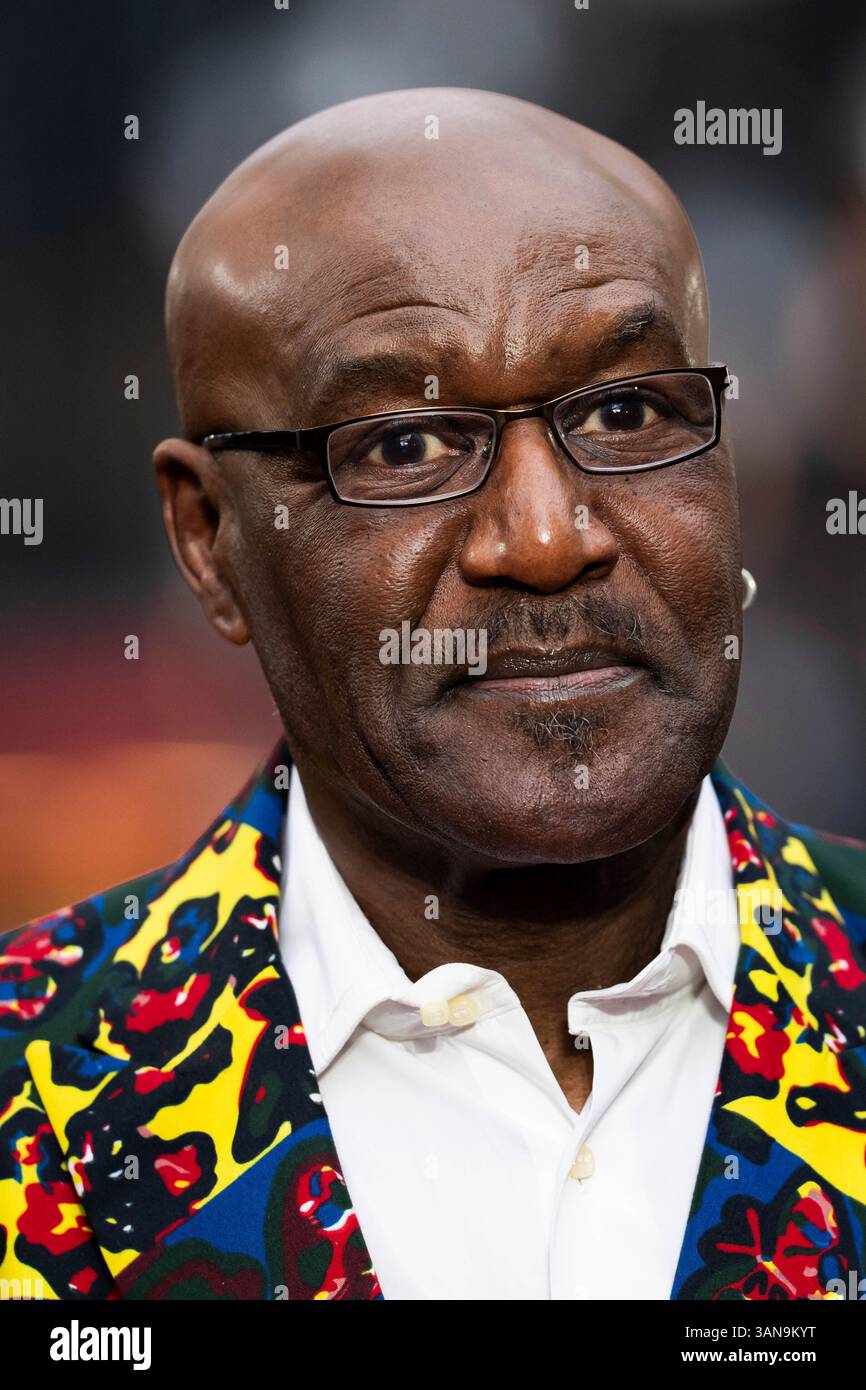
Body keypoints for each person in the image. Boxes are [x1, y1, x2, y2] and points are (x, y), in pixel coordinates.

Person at [1, 88, 864, 1302]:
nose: (546, 536)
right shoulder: (31, 1089)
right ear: (210, 542)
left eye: (626, 412)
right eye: (402, 445)